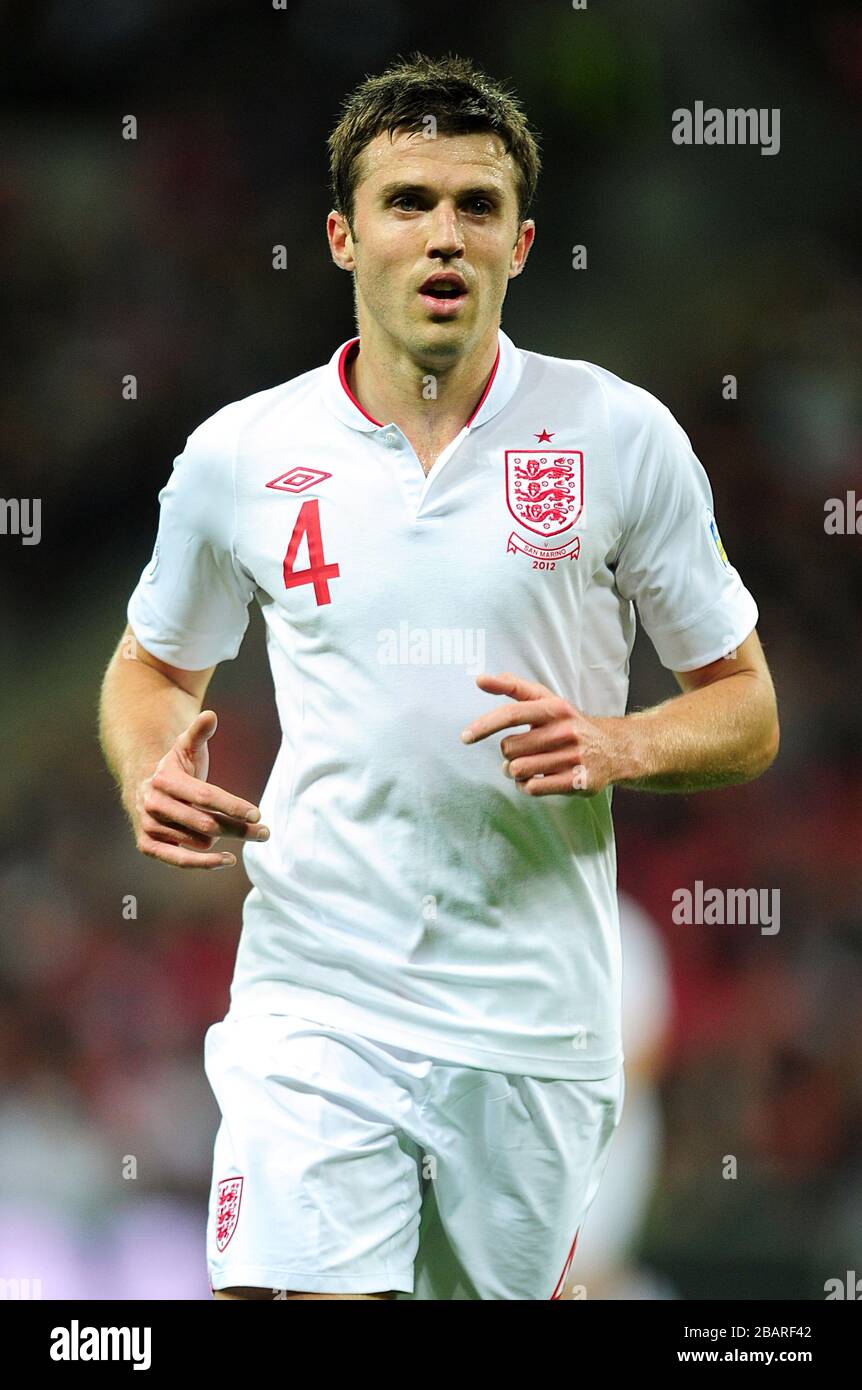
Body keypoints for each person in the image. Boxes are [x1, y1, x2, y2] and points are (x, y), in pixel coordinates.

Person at [98, 52, 779, 1301]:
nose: (443, 232)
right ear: (342, 236)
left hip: (531, 1022)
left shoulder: (618, 436)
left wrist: (617, 742)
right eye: (408, 202)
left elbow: (746, 706)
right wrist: (150, 762)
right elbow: (150, 664)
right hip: (317, 986)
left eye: (477, 205)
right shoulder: (241, 453)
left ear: (522, 245)